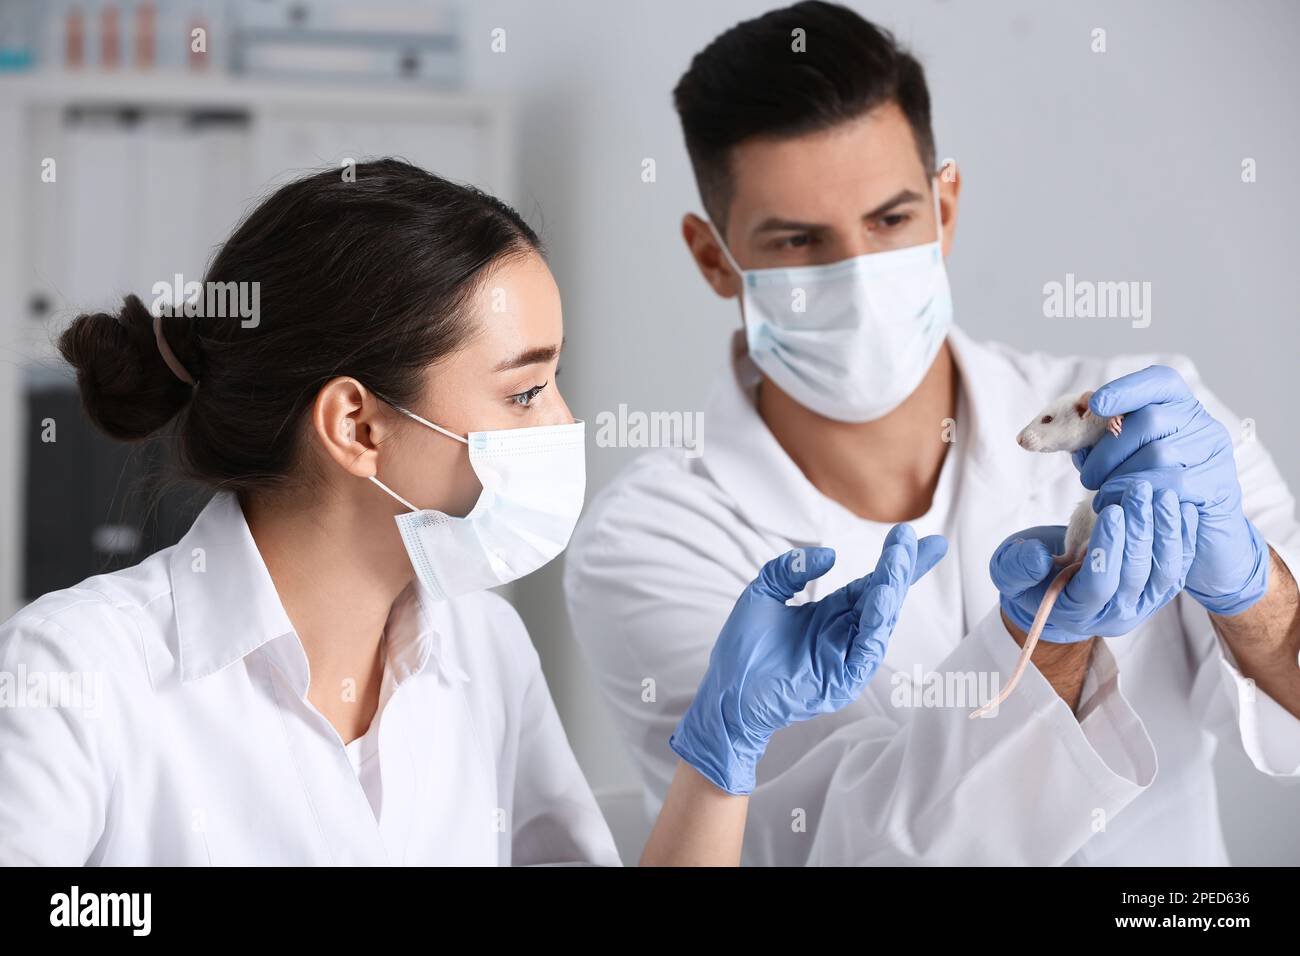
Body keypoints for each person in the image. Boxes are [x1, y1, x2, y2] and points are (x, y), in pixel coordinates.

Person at [0, 159, 944, 866]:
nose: (567, 425)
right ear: (358, 426)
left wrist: (724, 747)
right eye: (526, 393)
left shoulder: (481, 649)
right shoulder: (80, 671)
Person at [564, 1, 1300, 865]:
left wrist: (1252, 590)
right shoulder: (649, 540)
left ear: (945, 207)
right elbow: (816, 850)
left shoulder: (1151, 423)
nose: (860, 278)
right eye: (799, 240)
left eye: (889, 220)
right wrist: (1048, 652)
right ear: (712, 256)